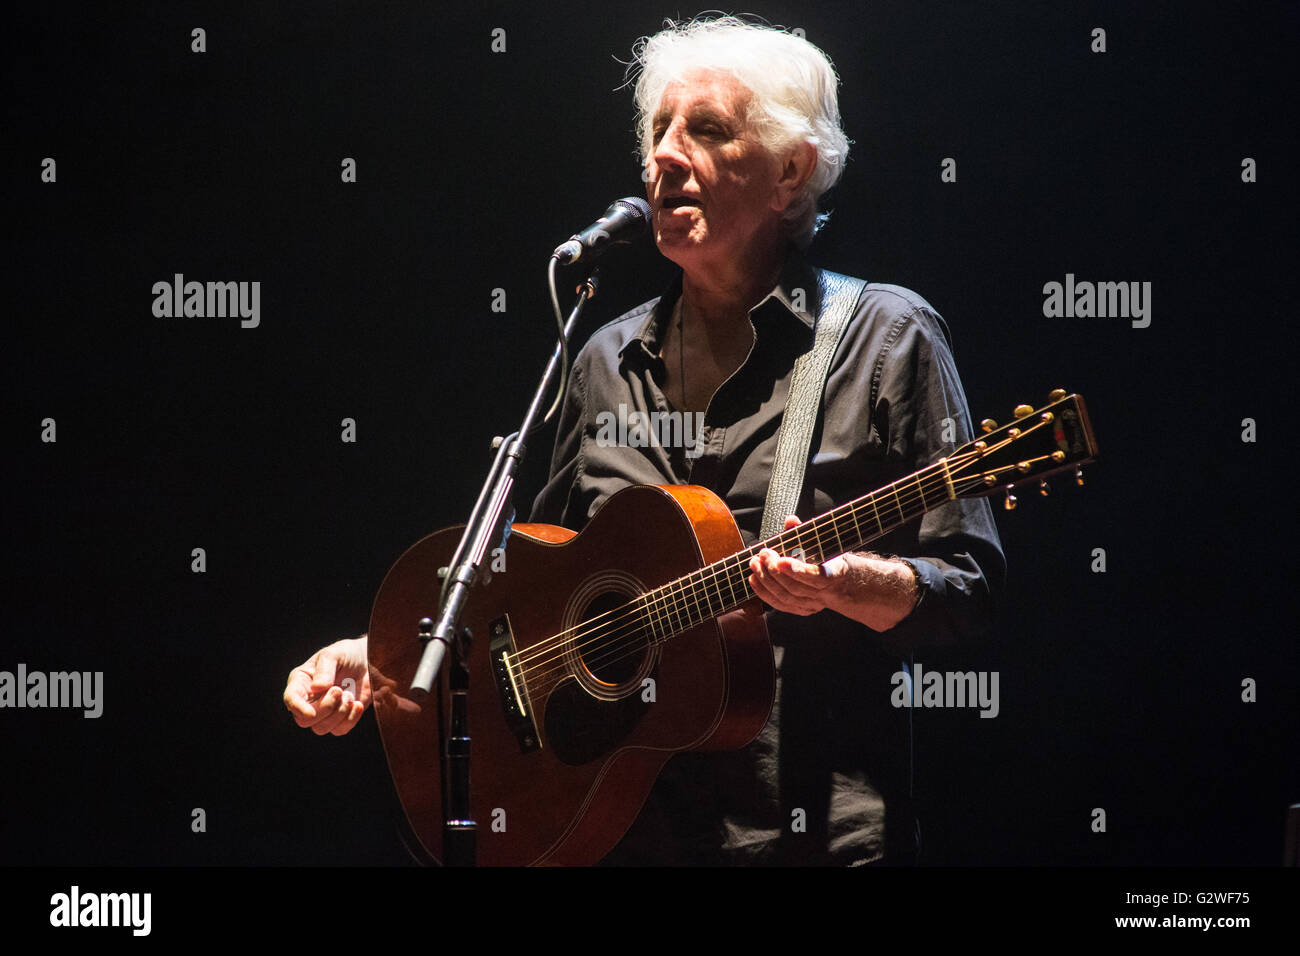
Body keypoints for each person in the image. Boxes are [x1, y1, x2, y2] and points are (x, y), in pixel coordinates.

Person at [284, 16, 1004, 866]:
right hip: (618, 833)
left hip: (804, 837)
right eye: (658, 130)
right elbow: (525, 587)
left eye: (705, 129)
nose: (665, 154)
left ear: (790, 171)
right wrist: (381, 659)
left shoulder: (884, 337)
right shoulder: (603, 358)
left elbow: (971, 592)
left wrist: (857, 583)